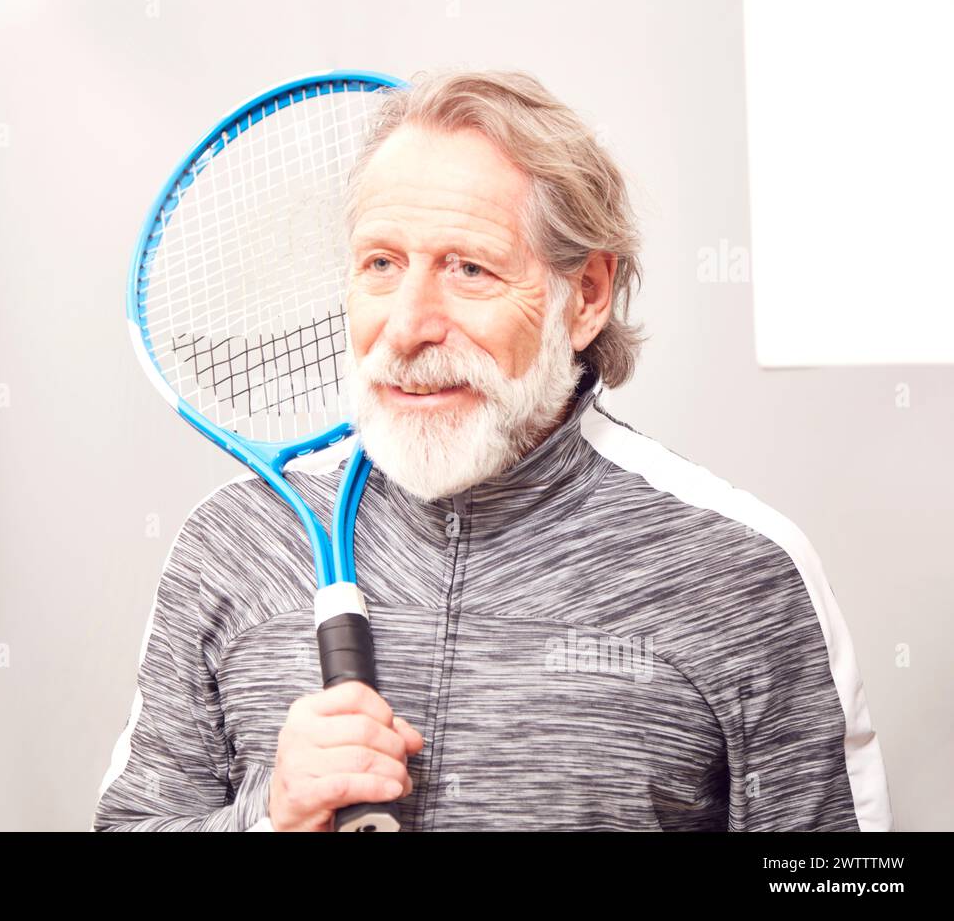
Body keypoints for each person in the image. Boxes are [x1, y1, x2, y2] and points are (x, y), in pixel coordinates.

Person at [92, 69, 893, 831]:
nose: (406, 328)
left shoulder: (743, 573)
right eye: (380, 264)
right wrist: (269, 819)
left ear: (584, 297)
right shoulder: (231, 544)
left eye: (468, 269)